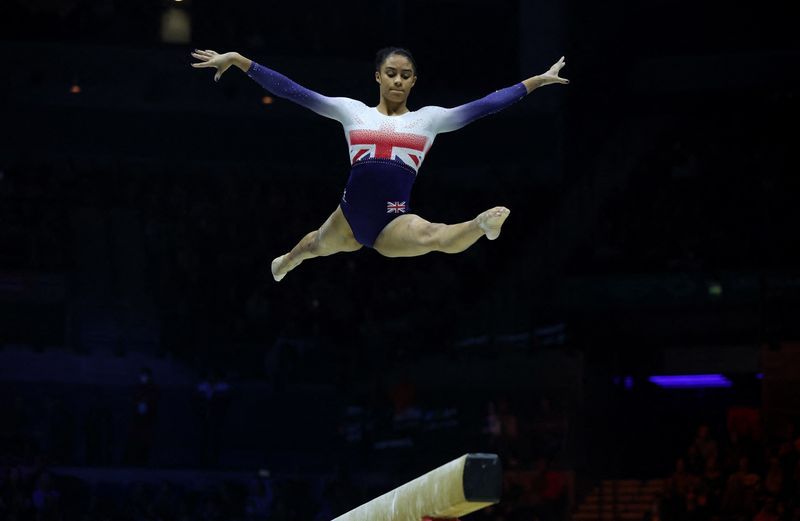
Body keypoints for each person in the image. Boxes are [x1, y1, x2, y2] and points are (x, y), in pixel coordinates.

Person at [191, 47, 569, 281]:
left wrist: (535, 80)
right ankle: (287, 261)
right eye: (391, 73)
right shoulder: (351, 110)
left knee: (434, 235)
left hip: (392, 220)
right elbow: (294, 92)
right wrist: (241, 61)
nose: (398, 81)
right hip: (349, 214)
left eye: (406, 75)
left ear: (414, 81)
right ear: (377, 76)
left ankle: (481, 225)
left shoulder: (429, 119)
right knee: (312, 247)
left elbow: (486, 104)